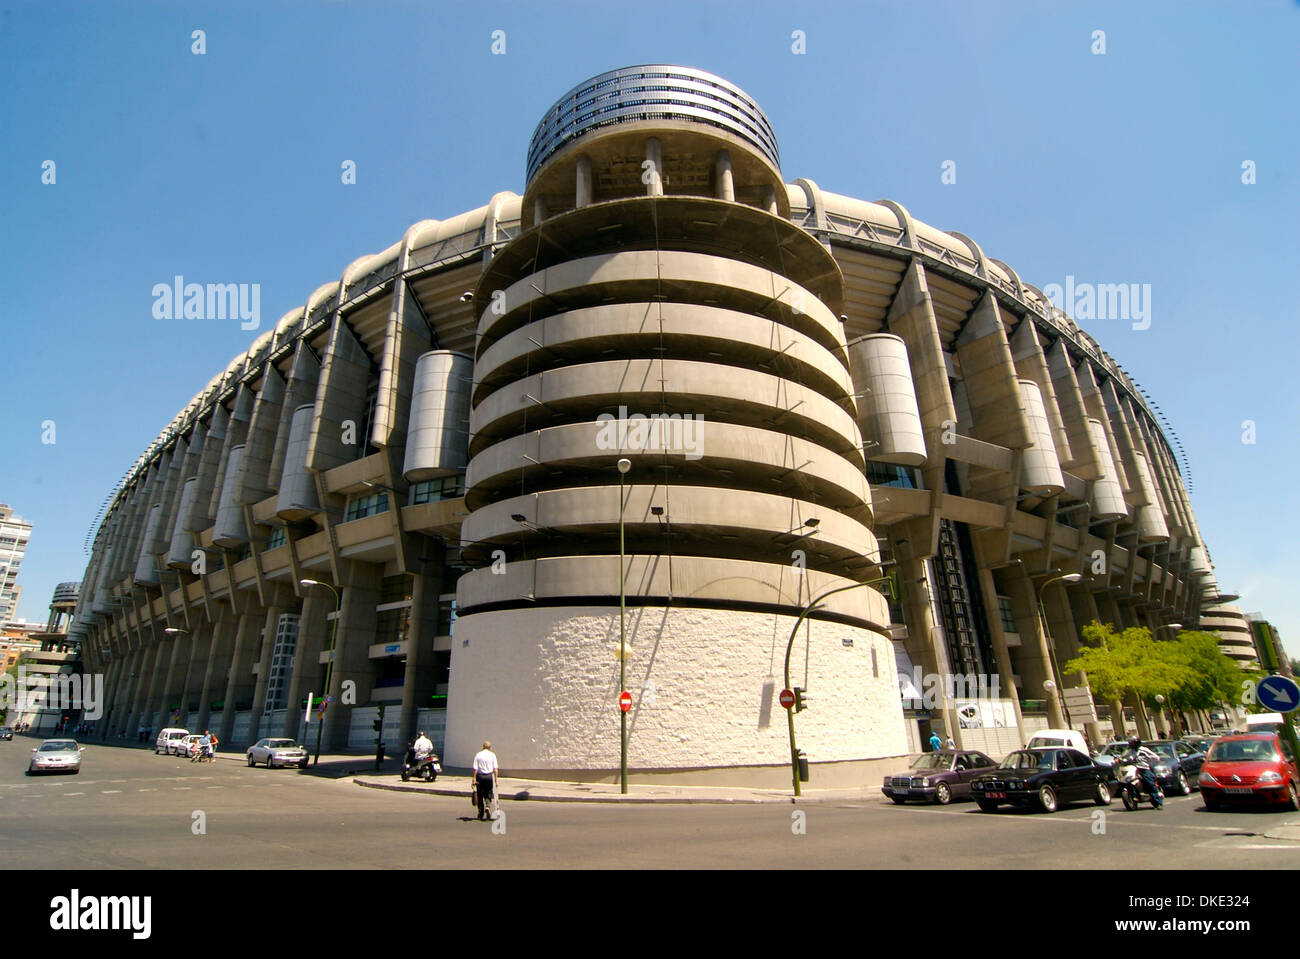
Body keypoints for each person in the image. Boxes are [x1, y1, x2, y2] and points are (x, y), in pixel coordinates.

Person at [1123, 737, 1164, 809]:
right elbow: (1124, 757)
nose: (1130, 744)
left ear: (1136, 743)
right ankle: (1134, 796)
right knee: (1128, 780)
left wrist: (1151, 765)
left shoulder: (1144, 750)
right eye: (1130, 743)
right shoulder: (1130, 751)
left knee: (1149, 782)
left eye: (1132, 742)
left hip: (1144, 769)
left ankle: (1158, 803)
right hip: (1134, 769)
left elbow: (1156, 757)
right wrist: (1119, 760)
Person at [472, 740, 499, 820]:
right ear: (490, 748)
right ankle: (487, 806)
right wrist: (496, 780)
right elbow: (495, 769)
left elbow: (475, 769)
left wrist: (473, 779)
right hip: (489, 776)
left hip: (480, 776)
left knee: (480, 795)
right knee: (488, 793)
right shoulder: (492, 755)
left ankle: (481, 813)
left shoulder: (478, 755)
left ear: (483, 747)